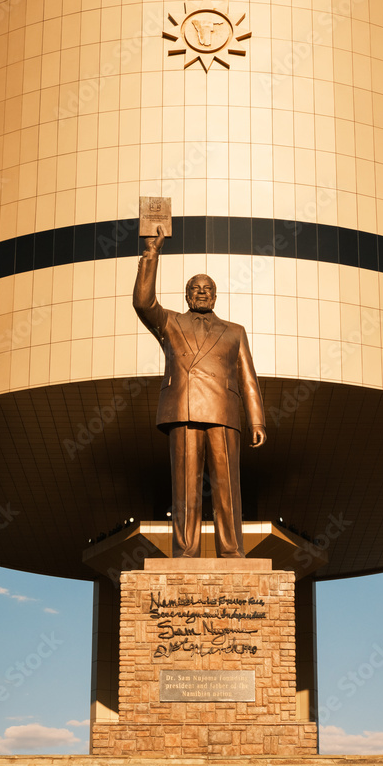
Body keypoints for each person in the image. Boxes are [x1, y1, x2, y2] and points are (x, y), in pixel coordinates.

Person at [133, 227, 266, 557]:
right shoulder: (171, 323)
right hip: (184, 410)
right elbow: (143, 302)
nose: (202, 293)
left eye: (208, 289)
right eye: (195, 288)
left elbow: (248, 378)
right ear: (187, 295)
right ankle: (185, 551)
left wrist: (257, 421)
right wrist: (152, 253)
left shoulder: (235, 332)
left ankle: (232, 550)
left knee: (227, 488)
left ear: (216, 296)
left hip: (223, 412)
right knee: (186, 488)